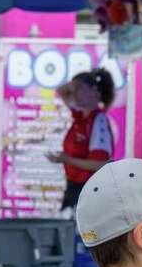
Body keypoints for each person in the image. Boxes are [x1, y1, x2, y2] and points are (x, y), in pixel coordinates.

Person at [48, 69, 115, 216]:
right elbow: (61, 91)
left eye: (79, 89)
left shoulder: (98, 121)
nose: (74, 94)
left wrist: (66, 159)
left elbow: (100, 164)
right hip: (74, 189)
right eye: (73, 90)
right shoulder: (80, 118)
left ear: (94, 91)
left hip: (89, 190)